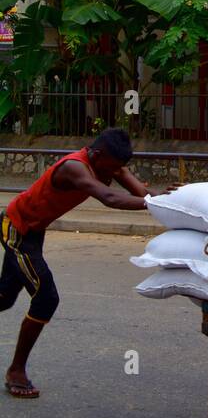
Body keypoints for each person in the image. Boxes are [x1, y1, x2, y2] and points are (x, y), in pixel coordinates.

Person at [0, 127, 151, 398]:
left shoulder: (111, 164)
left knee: (4, 298)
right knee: (46, 298)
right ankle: (16, 371)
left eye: (120, 168)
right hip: (17, 229)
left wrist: (168, 202)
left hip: (35, 230)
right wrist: (152, 205)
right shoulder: (74, 167)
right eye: (112, 168)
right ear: (96, 154)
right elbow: (110, 198)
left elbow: (143, 194)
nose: (114, 174)